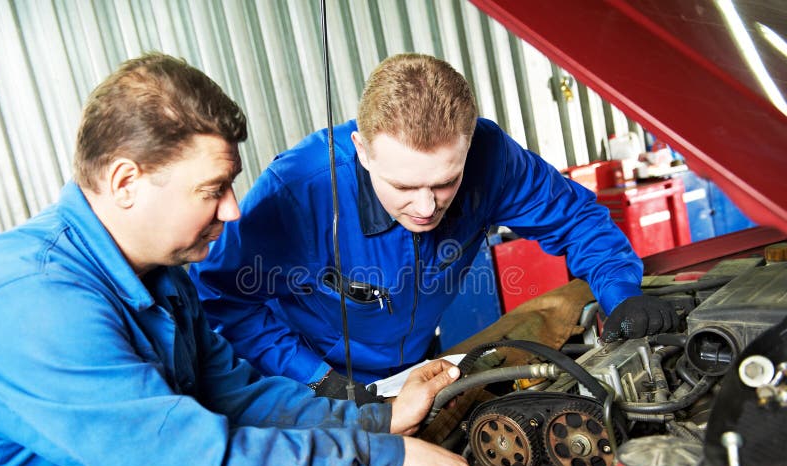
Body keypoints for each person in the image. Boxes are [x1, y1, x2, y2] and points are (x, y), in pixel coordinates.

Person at [0, 52, 474, 466]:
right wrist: (383, 457)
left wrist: (377, 421)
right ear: (125, 182)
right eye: (212, 189)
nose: (233, 210)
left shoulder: (165, 277)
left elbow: (238, 397)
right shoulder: (34, 301)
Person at [190, 53, 678, 403]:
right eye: (403, 185)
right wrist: (315, 378)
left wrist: (621, 293)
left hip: (415, 364)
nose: (426, 207)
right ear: (361, 149)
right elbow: (223, 298)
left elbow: (577, 218)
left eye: (446, 182)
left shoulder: (491, 159)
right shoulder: (299, 190)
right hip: (307, 378)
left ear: (468, 147)